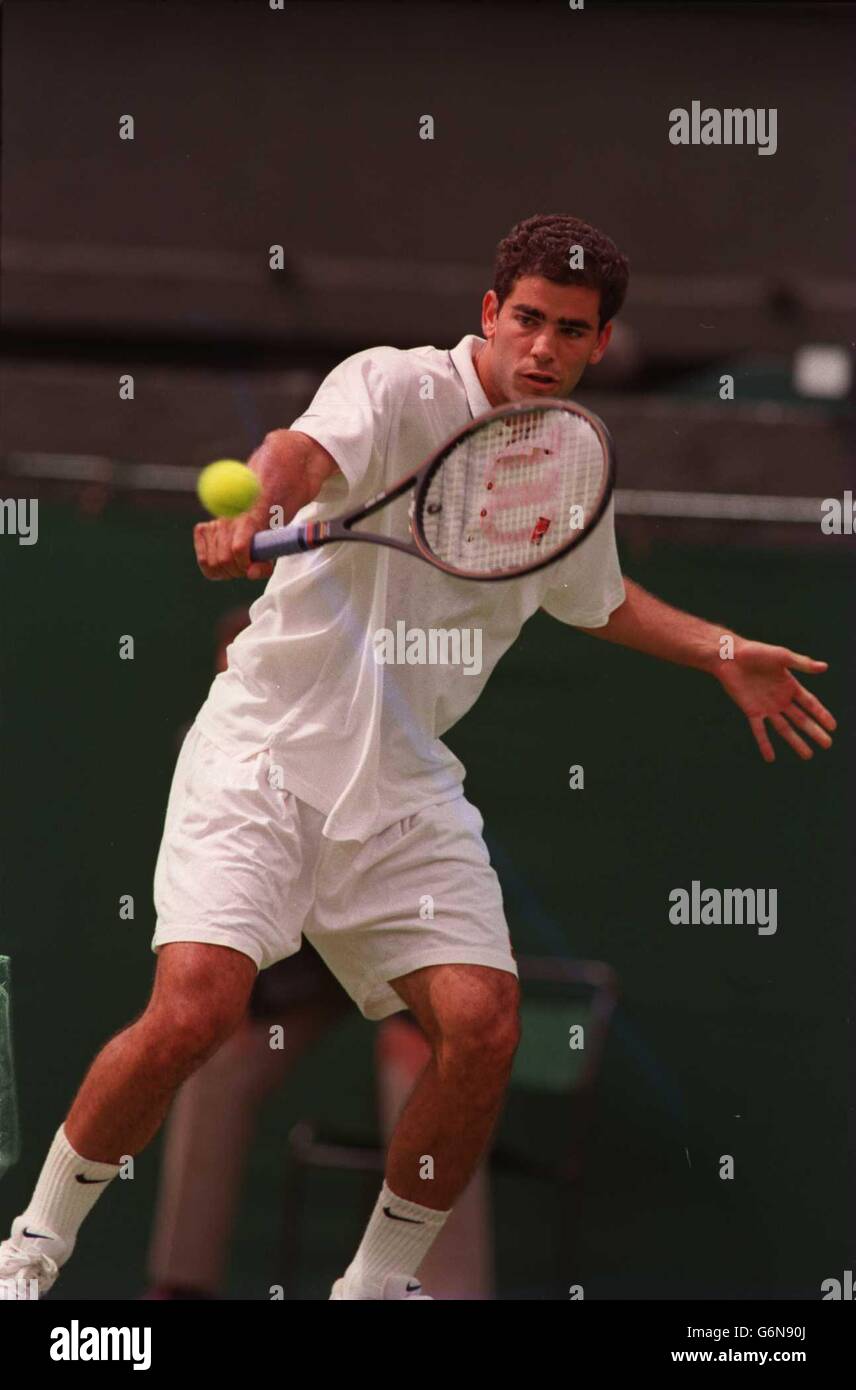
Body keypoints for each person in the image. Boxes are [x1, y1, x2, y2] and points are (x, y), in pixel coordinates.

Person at [1, 213, 836, 1301]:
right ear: (488, 315)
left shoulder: (569, 468)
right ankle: (30, 1254)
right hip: (261, 757)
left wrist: (722, 649)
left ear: (596, 344)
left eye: (569, 330)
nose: (542, 346)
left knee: (483, 1024)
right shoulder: (392, 386)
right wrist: (262, 495)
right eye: (526, 318)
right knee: (196, 1010)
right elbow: (298, 454)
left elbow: (600, 599)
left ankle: (377, 1286)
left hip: (401, 791)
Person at [143, 610, 493, 1300]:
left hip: (396, 928)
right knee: (212, 1059)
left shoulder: (378, 743)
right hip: (299, 955)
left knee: (434, 1062)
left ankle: (446, 1293)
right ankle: (180, 1287)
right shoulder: (217, 754)